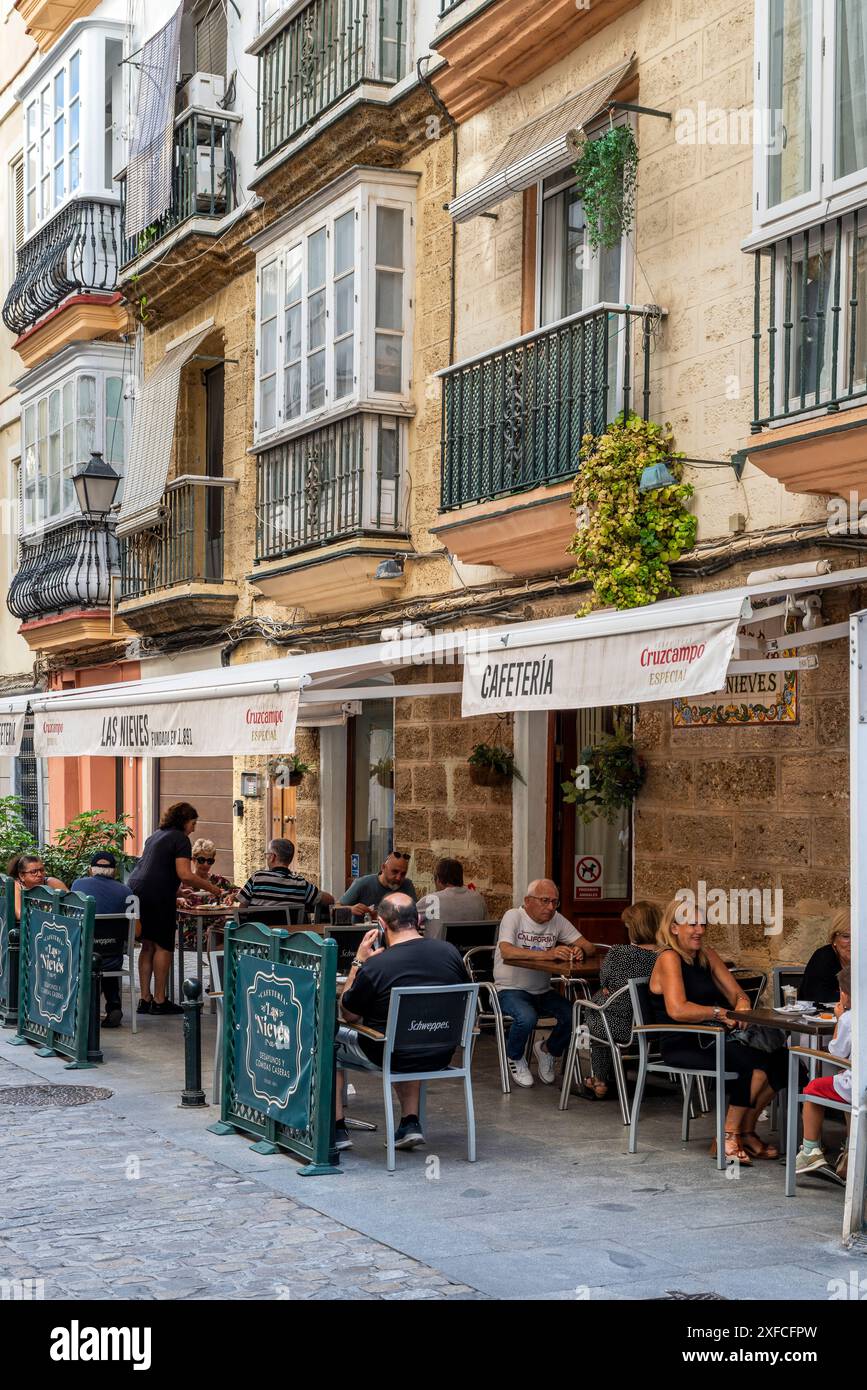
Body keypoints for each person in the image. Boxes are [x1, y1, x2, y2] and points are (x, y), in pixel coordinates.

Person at [649, 897, 788, 1164]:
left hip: (717, 1037)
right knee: (752, 1065)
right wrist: (719, 1013)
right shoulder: (669, 958)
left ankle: (745, 1131)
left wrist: (743, 1006)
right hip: (684, 1041)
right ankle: (726, 1137)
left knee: (782, 1059)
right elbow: (678, 1010)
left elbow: (737, 994)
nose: (699, 930)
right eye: (692, 924)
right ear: (674, 927)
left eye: (703, 924)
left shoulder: (707, 955)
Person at [334, 892, 469, 1151]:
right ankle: (410, 1122)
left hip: (391, 1054)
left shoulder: (377, 965)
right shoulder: (450, 952)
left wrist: (358, 962)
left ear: (381, 925)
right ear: (417, 919)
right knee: (407, 1034)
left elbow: (348, 1012)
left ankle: (337, 1130)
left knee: (330, 1041)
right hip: (442, 1052)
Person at [494, 878, 594, 1088]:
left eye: (554, 902)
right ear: (528, 900)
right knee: (527, 1018)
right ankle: (515, 1056)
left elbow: (589, 946)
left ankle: (548, 1049)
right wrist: (548, 954)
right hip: (509, 989)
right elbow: (506, 950)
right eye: (544, 900)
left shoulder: (556, 919)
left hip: (542, 990)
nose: (550, 907)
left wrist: (579, 949)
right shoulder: (514, 916)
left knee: (576, 1014)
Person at [128, 802, 217, 1016]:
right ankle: (160, 1000)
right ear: (184, 821)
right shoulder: (180, 839)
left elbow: (153, 870)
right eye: (193, 823)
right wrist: (214, 889)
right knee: (164, 946)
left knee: (148, 944)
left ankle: (144, 999)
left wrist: (177, 893)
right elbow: (185, 874)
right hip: (157, 896)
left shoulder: (155, 835)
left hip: (136, 890)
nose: (194, 828)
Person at [583, 900, 661, 1099]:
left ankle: (599, 1078)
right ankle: (604, 1076)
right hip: (655, 1030)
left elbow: (604, 979)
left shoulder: (619, 952)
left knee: (593, 1013)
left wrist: (607, 987)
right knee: (601, 1014)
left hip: (621, 1029)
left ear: (634, 928)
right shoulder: (666, 956)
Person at [795, 965, 852, 1179]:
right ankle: (849, 1147)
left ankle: (810, 1149)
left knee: (813, 1089)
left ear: (844, 994)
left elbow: (837, 1051)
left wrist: (839, 1019)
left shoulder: (849, 1018)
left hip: (856, 1083)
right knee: (843, 1082)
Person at [71, 851, 133, 1029]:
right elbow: (136, 931)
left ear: (91, 870)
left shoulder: (78, 885)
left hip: (84, 956)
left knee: (93, 954)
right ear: (114, 872)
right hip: (113, 957)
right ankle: (113, 1005)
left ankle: (89, 1008)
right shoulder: (126, 891)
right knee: (106, 956)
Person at [238, 838, 333, 916]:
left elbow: (241, 910)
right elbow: (330, 900)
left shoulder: (257, 877)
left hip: (255, 937)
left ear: (272, 857)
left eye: (267, 855)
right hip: (287, 937)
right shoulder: (300, 883)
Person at [177, 838, 238, 945]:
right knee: (217, 935)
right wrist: (179, 899)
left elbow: (241, 892)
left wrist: (233, 895)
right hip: (192, 931)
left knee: (230, 932)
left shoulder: (218, 881)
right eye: (201, 860)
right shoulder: (185, 881)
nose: (206, 864)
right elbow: (168, 896)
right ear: (193, 860)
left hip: (216, 928)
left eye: (210, 861)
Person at [416, 858, 487, 938]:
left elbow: (403, 920)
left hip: (439, 950)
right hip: (471, 950)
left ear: (438, 879)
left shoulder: (433, 900)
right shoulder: (478, 898)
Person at [339, 852, 417, 918]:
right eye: (394, 872)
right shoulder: (363, 883)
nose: (398, 878)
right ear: (383, 868)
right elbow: (335, 908)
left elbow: (415, 912)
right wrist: (350, 909)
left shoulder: (407, 885)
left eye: (403, 874)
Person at [799, 909, 851, 1003]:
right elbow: (816, 997)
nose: (853, 942)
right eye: (846, 936)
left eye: (860, 935)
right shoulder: (823, 957)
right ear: (834, 939)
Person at [7, 853, 67, 919]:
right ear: (22, 876)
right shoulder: (17, 885)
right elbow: (20, 914)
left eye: (41, 870)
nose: (39, 874)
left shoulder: (52, 882)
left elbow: (73, 908)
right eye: (33, 872)